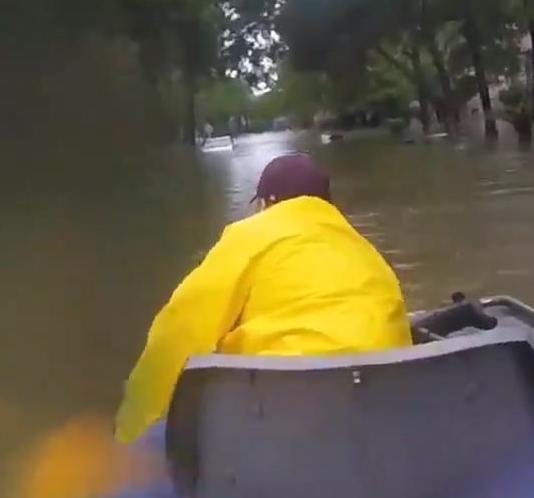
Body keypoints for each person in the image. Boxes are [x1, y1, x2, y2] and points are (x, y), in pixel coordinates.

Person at [113, 152, 412, 443]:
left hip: (281, 426)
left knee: (141, 455)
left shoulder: (250, 236)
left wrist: (131, 429)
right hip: (379, 421)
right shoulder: (364, 250)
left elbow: (178, 332)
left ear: (268, 203)